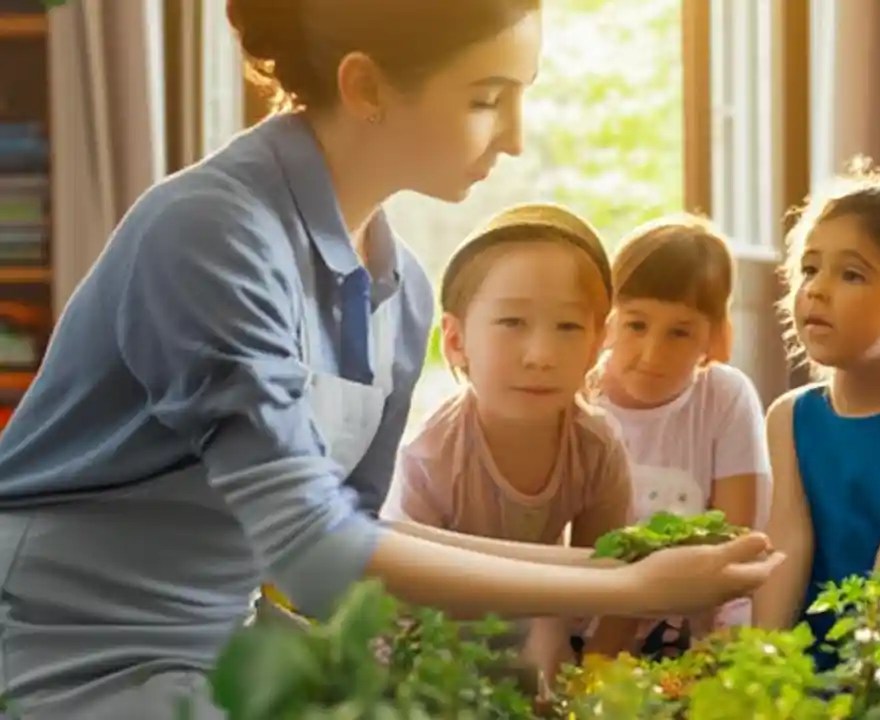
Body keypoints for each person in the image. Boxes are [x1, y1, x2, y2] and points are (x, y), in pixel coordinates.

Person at [0, 2, 780, 717]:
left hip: (219, 644)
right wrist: (633, 582)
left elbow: (357, 527)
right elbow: (312, 554)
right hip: (63, 646)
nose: (513, 135)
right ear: (366, 84)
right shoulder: (212, 235)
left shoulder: (398, 289)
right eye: (486, 97)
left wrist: (621, 576)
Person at [381, 202, 633, 680]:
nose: (540, 355)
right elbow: (407, 604)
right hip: (427, 649)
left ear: (598, 341)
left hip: (541, 632)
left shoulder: (596, 446)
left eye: (568, 327)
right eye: (512, 323)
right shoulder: (432, 458)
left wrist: (592, 684)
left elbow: (617, 582)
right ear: (456, 340)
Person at [751, 160, 880, 671]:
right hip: (813, 665)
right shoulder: (790, 418)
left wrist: (863, 670)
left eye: (851, 274)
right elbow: (788, 549)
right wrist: (759, 663)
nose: (815, 289)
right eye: (810, 268)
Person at [576, 215, 770, 659]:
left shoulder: (724, 396)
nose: (651, 354)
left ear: (715, 336)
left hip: (697, 634)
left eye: (680, 332)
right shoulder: (576, 395)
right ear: (606, 319)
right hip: (585, 631)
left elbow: (736, 546)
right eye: (636, 325)